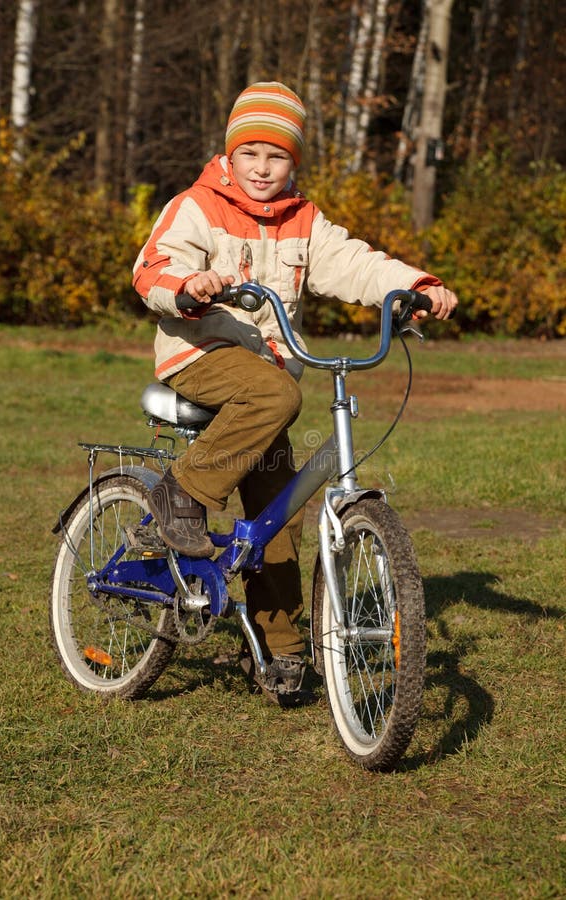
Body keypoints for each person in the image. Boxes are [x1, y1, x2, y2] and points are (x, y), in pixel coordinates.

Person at [132, 82, 457, 701]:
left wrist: (415, 284)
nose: (262, 168)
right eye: (250, 153)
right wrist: (190, 284)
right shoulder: (196, 206)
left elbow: (357, 264)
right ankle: (180, 495)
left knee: (279, 514)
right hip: (199, 354)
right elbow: (151, 268)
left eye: (276, 157)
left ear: (293, 162)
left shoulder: (303, 221)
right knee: (278, 397)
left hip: (266, 371)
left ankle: (280, 654)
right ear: (230, 154)